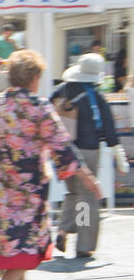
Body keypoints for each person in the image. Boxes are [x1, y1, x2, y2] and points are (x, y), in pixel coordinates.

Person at [0, 50, 101, 280]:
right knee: (37, 246)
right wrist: (88, 178)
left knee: (15, 250)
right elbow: (62, 147)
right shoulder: (38, 107)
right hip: (25, 193)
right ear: (36, 78)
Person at [51, 53, 119, 259]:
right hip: (88, 150)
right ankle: (83, 244)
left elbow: (46, 112)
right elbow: (107, 123)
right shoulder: (95, 95)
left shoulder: (61, 90)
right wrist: (115, 147)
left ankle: (62, 231)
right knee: (86, 197)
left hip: (63, 151)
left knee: (73, 193)